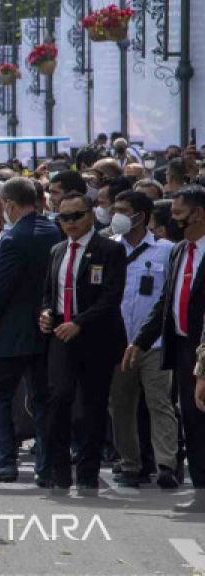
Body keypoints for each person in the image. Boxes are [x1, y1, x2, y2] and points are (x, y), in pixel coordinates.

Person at [0, 177, 61, 487]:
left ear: (9, 204)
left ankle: (5, 461)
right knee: (42, 400)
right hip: (45, 331)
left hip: (9, 335)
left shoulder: (13, 238)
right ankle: (46, 467)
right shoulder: (52, 231)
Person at [39, 193, 127, 491]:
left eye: (76, 216)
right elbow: (49, 293)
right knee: (59, 400)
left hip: (95, 337)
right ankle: (59, 470)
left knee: (92, 406)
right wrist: (46, 313)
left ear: (90, 215)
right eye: (64, 217)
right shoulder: (57, 250)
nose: (70, 223)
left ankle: (88, 473)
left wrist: (79, 322)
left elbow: (111, 297)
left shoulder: (109, 250)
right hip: (61, 335)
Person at [127, 184, 205, 511]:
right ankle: (200, 493)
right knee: (192, 420)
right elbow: (165, 301)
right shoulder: (177, 251)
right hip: (183, 348)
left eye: (178, 214)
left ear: (198, 213)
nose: (172, 221)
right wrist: (141, 340)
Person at [106, 190, 179, 489]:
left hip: (154, 344)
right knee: (120, 404)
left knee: (160, 403)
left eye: (124, 210)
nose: (117, 215)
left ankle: (166, 465)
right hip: (118, 341)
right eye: (116, 209)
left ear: (142, 216)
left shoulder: (167, 251)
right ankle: (130, 464)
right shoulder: (108, 248)